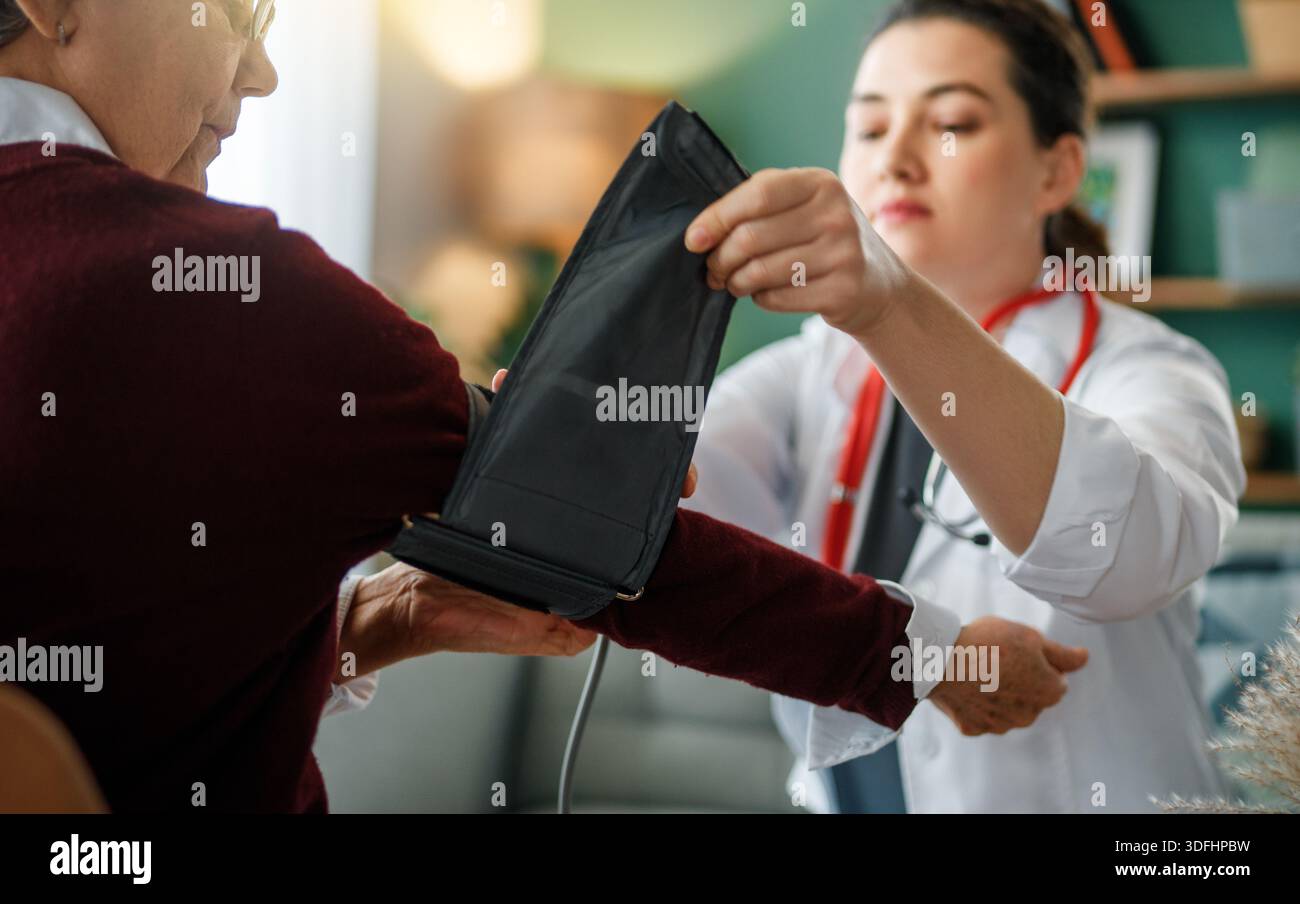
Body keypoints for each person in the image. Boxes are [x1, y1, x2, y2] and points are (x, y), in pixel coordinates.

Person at [0, 0, 1084, 812]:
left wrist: (373, 626)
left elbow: (112, 685)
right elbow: (611, 543)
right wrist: (931, 656)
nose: (267, 72)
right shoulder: (227, 287)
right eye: (238, 11)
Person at [678, 0, 1245, 813]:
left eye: (950, 123)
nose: (898, 160)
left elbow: (1126, 557)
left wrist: (887, 304)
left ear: (1057, 170)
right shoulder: (809, 375)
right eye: (870, 130)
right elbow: (665, 498)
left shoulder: (1154, 369)